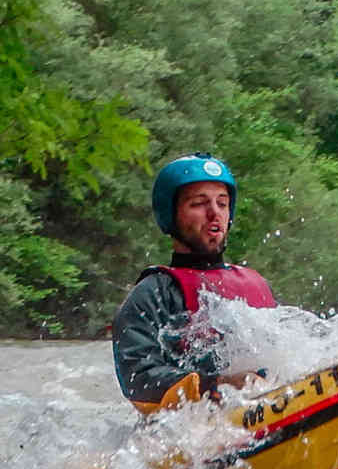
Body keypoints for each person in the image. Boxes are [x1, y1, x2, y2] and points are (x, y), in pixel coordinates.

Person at [112, 153, 276, 412]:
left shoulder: (256, 283)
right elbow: (139, 380)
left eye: (222, 204)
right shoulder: (152, 294)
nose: (214, 214)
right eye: (199, 204)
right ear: (172, 215)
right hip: (188, 431)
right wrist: (216, 385)